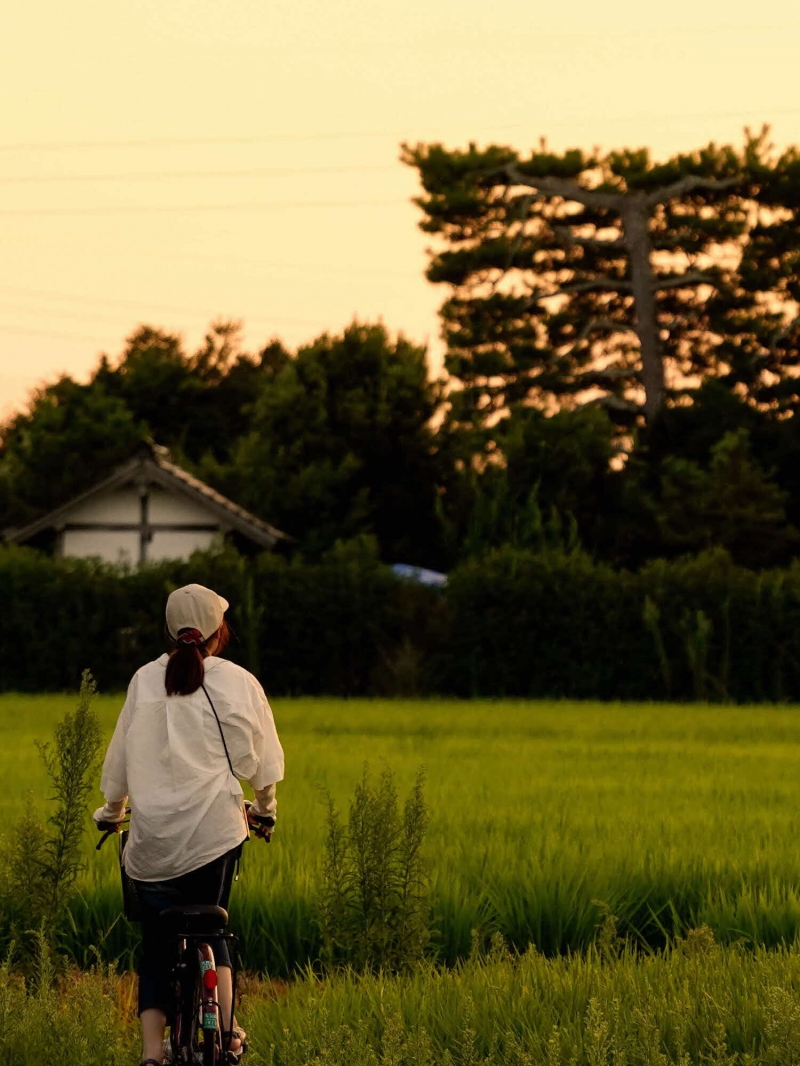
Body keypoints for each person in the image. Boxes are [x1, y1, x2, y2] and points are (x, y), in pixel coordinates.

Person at [93, 583, 284, 1066]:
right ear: (220, 631)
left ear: (169, 631)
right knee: (215, 931)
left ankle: (152, 1054)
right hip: (216, 837)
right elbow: (261, 766)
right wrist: (264, 810)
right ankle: (225, 1034)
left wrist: (111, 815)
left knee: (156, 947)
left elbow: (118, 766)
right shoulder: (239, 681)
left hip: (152, 842)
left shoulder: (143, 681)